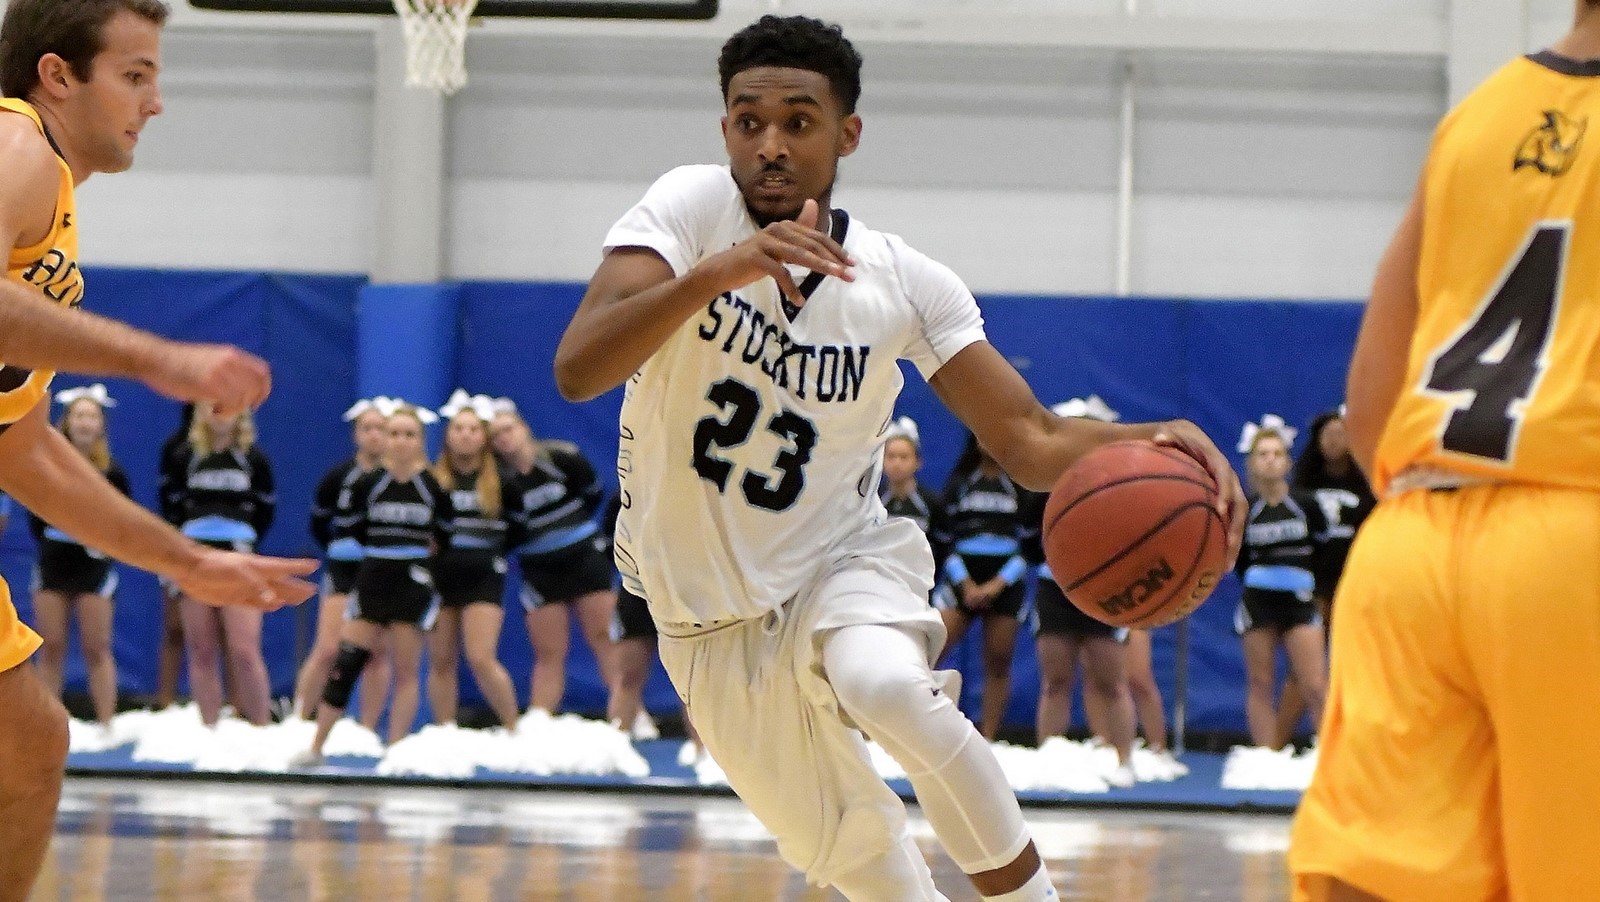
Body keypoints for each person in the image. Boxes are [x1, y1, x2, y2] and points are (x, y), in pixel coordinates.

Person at [553, 15, 1244, 901]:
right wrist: (718, 274)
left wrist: (1144, 439)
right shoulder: (689, 212)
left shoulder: (903, 280)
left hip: (839, 562)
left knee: (883, 683)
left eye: (797, 122)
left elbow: (1027, 441)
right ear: (724, 127)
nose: (769, 144)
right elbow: (578, 368)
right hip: (701, 616)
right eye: (747, 121)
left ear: (846, 135)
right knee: (862, 862)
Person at [0, 1, 316, 893]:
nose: (155, 102)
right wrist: (158, 359)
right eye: (135, 76)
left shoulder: (48, 194)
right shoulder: (17, 144)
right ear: (59, 76)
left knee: (28, 740)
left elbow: (22, 449)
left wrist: (185, 561)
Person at [1289, 6, 1600, 898]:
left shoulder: (1479, 114)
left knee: (1375, 880)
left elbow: (1373, 389)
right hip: (1574, 541)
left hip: (1415, 537)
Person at [297, 403, 453, 762]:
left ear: (421, 440)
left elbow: (444, 536)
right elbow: (349, 528)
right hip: (372, 578)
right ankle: (316, 745)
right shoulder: (368, 483)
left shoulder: (432, 486)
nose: (400, 441)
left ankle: (394, 749)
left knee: (406, 669)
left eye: (409, 434)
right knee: (347, 660)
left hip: (412, 582)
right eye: (394, 433)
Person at [1030, 398, 1135, 787]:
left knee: (1112, 680)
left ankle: (1125, 761)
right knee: (1055, 680)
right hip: (1054, 587)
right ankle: (1050, 759)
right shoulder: (1044, 480)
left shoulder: (1125, 483)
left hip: (1103, 588)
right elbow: (1028, 537)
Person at [489, 406, 618, 717]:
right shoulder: (496, 482)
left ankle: (629, 713)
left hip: (585, 558)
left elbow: (593, 492)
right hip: (540, 568)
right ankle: (540, 720)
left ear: (523, 427)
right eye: (496, 435)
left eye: (509, 429)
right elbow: (507, 529)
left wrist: (572, 530)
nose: (505, 438)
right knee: (548, 651)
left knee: (605, 638)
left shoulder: (562, 456)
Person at [28, 384, 131, 734]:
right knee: (51, 645)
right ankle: (47, 726)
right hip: (54, 562)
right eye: (79, 415)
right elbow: (34, 512)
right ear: (67, 421)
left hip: (94, 566)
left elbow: (123, 519)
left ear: (102, 424)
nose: (86, 423)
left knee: (97, 647)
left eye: (92, 416)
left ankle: (107, 724)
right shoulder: (46, 464)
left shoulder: (112, 472)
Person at [168, 403, 278, 727]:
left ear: (240, 413)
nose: (220, 412)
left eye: (227, 405)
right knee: (201, 649)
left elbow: (265, 512)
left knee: (244, 648)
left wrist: (241, 540)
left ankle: (261, 728)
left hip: (239, 553)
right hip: (195, 555)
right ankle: (209, 730)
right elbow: (172, 507)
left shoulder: (253, 459)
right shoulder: (184, 456)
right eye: (212, 405)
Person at [1273, 407, 1375, 746]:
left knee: (1362, 664)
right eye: (1328, 434)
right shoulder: (1303, 485)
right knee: (1305, 668)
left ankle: (1355, 743)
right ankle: (1276, 746)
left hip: (1358, 580)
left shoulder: (1369, 482)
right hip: (1314, 582)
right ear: (1316, 441)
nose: (1334, 441)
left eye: (1342, 433)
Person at [291, 397, 393, 728]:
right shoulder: (339, 477)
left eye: (381, 428)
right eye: (367, 428)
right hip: (343, 569)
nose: (374, 435)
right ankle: (299, 718)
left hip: (381, 571)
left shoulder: (397, 479)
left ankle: (367, 727)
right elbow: (319, 523)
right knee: (328, 648)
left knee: (376, 654)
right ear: (355, 434)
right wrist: (340, 548)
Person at [937, 432, 1043, 742]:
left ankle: (989, 737)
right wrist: (965, 583)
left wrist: (998, 584)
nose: (989, 440)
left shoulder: (1021, 487)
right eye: (982, 433)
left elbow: (1030, 549)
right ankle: (929, 731)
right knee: (931, 651)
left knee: (998, 660)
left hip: (1005, 581)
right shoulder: (960, 484)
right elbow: (945, 541)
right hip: (962, 578)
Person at [427, 390, 523, 731]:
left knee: (481, 657)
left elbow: (518, 528)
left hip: (483, 574)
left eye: (472, 429)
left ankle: (513, 727)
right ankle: (445, 730)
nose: (465, 435)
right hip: (440, 576)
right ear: (448, 436)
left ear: (484, 437)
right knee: (441, 660)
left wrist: (492, 554)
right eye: (458, 429)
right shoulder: (433, 481)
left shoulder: (503, 482)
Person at [1232, 416, 1327, 749]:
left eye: (1276, 453)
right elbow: (1238, 560)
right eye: (1262, 454)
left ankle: (1327, 757)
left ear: (1288, 461)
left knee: (1314, 684)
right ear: (1252, 462)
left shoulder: (1306, 504)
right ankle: (1265, 756)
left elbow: (1323, 550)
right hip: (1258, 602)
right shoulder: (1245, 509)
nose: (1270, 459)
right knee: (1260, 682)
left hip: (1300, 601)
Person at [877, 417, 950, 568]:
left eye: (904, 457)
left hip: (918, 580)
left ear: (918, 462)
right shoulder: (873, 500)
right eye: (890, 457)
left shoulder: (930, 502)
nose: (897, 464)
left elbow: (944, 544)